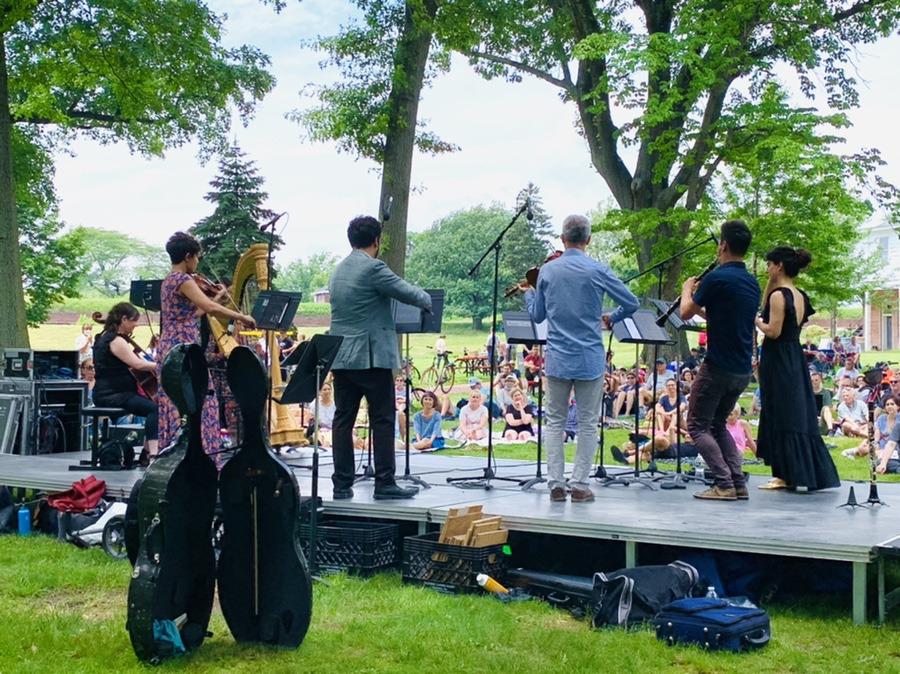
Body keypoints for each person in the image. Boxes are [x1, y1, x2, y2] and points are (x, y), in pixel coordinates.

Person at [522, 214, 639, 503]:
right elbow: (632, 302)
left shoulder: (548, 272)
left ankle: (555, 484)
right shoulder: (597, 269)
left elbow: (537, 315)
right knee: (587, 422)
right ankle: (580, 484)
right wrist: (613, 317)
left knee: (554, 422)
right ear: (588, 240)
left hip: (558, 357)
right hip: (589, 357)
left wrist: (528, 294)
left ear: (563, 239)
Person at [328, 215, 432, 501]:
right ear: (376, 241)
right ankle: (385, 482)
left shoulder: (337, 271)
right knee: (383, 418)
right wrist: (427, 300)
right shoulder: (373, 268)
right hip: (370, 356)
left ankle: (341, 484)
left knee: (343, 419)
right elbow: (406, 291)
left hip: (341, 357)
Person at [157, 232, 256, 466]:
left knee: (177, 403)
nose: (198, 262)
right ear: (188, 255)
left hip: (170, 347)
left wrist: (220, 299)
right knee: (204, 401)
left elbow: (195, 312)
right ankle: (205, 461)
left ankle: (178, 458)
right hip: (183, 350)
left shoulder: (168, 280)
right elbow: (208, 307)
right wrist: (241, 316)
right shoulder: (183, 280)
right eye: (197, 257)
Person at [679, 220, 760, 501]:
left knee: (697, 426)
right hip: (740, 369)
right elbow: (721, 315)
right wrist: (705, 301)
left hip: (717, 366)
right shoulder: (751, 282)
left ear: (722, 245)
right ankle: (737, 483)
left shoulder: (716, 278)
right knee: (717, 424)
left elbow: (686, 312)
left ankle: (723, 484)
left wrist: (688, 288)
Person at [755, 246, 839, 491]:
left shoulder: (779, 295)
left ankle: (783, 473)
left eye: (770, 264)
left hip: (778, 356)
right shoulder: (797, 294)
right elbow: (769, 305)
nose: (767, 268)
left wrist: (756, 321)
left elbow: (773, 330)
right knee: (793, 411)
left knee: (780, 410)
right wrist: (770, 287)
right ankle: (793, 473)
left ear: (779, 265)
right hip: (793, 355)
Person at [92, 303, 159, 461]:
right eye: (134, 320)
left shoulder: (105, 337)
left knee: (154, 409)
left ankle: (145, 453)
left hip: (110, 393)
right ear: (124, 319)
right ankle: (153, 455)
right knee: (155, 410)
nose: (136, 325)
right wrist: (162, 365)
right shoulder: (115, 340)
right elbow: (138, 364)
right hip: (113, 394)